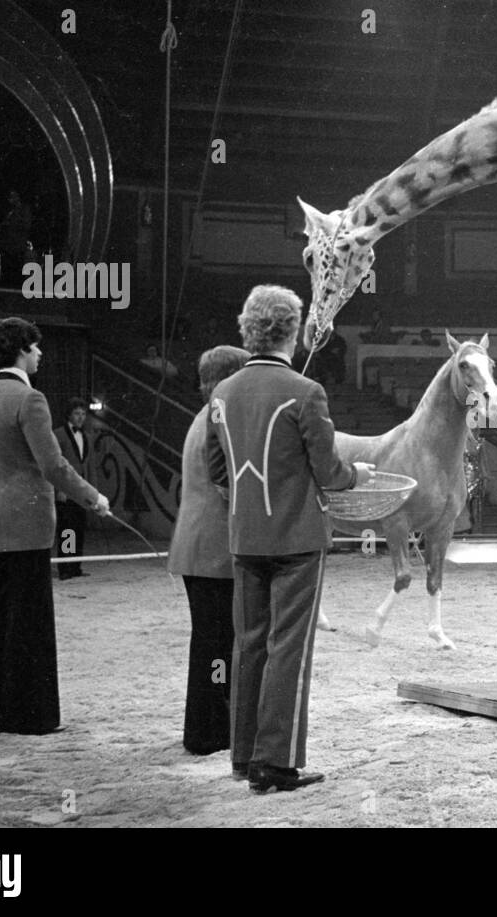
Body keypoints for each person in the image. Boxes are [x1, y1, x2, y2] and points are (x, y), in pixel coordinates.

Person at [206, 285, 375, 793]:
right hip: (297, 537)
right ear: (294, 330)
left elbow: (216, 469)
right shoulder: (306, 393)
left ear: (249, 329)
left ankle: (243, 755)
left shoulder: (222, 394)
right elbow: (328, 470)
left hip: (245, 535)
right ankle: (275, 764)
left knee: (249, 644)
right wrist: (358, 475)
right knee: (288, 650)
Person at [0, 318, 109, 735]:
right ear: (23, 349)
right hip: (29, 520)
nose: (41, 353)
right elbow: (53, 465)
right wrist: (92, 498)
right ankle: (28, 716)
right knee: (30, 617)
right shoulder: (30, 399)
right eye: (36, 347)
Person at [170, 345, 249, 756]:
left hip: (198, 547)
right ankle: (209, 731)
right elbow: (230, 485)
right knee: (217, 643)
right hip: (213, 550)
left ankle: (207, 726)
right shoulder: (221, 419)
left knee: (210, 641)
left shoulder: (205, 416)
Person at [52, 398, 91, 580]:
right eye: (77, 413)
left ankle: (75, 566)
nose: (80, 417)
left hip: (81, 493)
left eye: (83, 414)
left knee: (78, 528)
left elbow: (86, 465)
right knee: (67, 530)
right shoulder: (59, 434)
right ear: (69, 414)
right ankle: (65, 568)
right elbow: (54, 464)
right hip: (66, 491)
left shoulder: (86, 436)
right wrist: (59, 489)